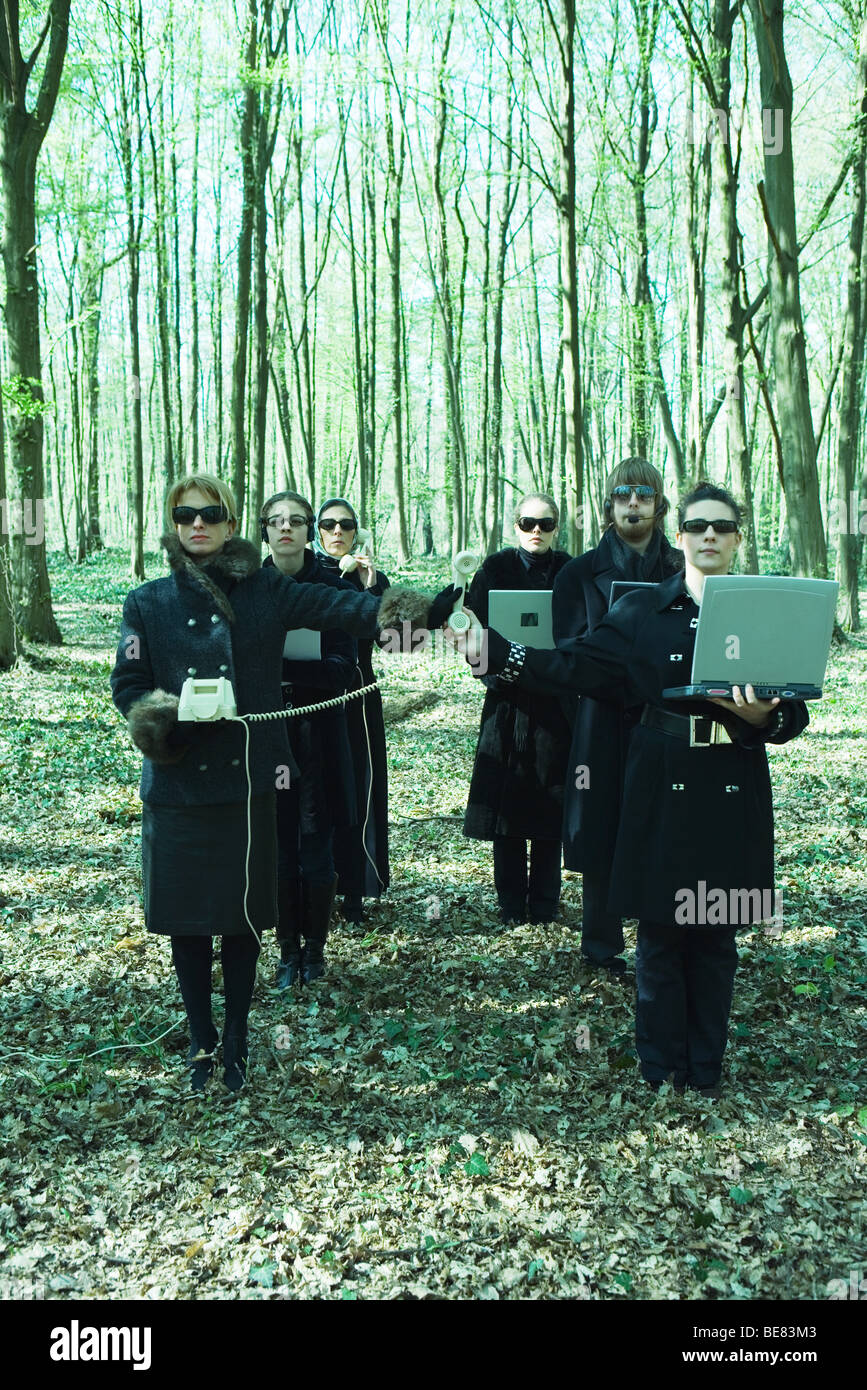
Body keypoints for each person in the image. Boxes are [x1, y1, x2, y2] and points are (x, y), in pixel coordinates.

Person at [449, 481, 808, 1096]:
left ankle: (706, 1070)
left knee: (717, 938)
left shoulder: (764, 610)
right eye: (699, 527)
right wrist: (490, 651)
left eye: (722, 526)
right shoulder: (642, 612)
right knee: (662, 933)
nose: (710, 536)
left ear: (737, 536)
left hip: (732, 785)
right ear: (684, 535)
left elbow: (795, 711)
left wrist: (761, 719)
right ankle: (661, 1069)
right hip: (658, 784)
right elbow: (568, 664)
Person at [111, 473, 447, 1093]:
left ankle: (236, 1038)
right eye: (185, 515)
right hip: (177, 787)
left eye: (211, 513)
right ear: (173, 525)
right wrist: (169, 721)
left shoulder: (266, 590)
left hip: (246, 782)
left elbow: (343, 609)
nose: (198, 524)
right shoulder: (147, 601)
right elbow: (128, 685)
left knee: (241, 918)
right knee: (188, 923)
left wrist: (420, 611)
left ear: (232, 522)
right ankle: (200, 1041)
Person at [552, 458, 683, 974]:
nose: (634, 502)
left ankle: (664, 937)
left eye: (644, 495)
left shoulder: (681, 569)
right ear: (608, 505)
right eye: (624, 494)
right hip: (601, 723)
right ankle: (602, 946)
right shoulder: (577, 573)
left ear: (659, 505)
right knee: (603, 829)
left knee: (667, 826)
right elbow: (571, 655)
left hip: (671, 720)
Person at [261, 490, 358, 987]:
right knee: (278, 843)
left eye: (297, 521)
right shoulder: (250, 587)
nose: (286, 529)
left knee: (315, 838)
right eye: (275, 521)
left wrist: (283, 670)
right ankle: (285, 951)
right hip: (265, 736)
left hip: (318, 733)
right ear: (263, 530)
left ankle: (315, 952)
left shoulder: (328, 584)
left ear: (308, 530)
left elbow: (345, 667)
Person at [463, 494, 574, 924]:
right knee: (506, 801)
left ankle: (545, 903)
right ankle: (510, 903)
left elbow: (583, 631)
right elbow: (469, 626)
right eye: (528, 522)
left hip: (556, 700)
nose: (536, 531)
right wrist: (486, 670)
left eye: (546, 524)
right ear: (515, 525)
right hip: (505, 698)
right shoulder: (494, 569)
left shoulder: (569, 571)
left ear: (556, 529)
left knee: (552, 800)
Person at [314, 499, 390, 923]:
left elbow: (393, 638)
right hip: (306, 697)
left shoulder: (370, 579)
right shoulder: (302, 575)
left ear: (357, 532)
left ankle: (356, 891)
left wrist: (371, 587)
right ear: (317, 531)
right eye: (328, 525)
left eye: (346, 525)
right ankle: (310, 890)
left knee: (358, 791)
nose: (337, 531)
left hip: (358, 698)